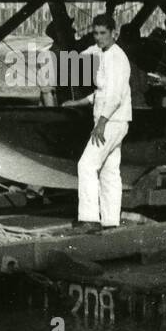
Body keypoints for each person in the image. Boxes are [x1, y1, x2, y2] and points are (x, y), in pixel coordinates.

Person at [69, 13, 132, 233]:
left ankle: (89, 219)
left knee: (86, 165)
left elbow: (114, 96)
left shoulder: (117, 58)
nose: (98, 37)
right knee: (109, 170)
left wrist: (101, 123)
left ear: (114, 33)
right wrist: (79, 102)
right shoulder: (102, 53)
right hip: (111, 119)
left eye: (103, 33)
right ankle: (110, 219)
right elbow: (101, 92)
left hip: (112, 121)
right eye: (95, 33)